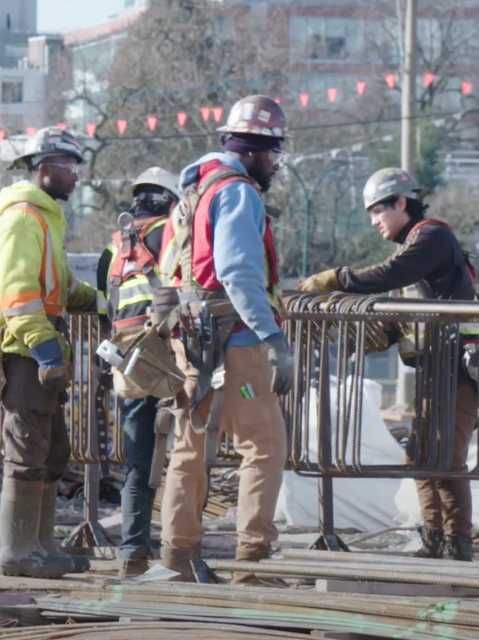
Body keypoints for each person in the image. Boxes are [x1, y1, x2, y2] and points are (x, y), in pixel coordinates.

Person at [298, 167, 478, 562]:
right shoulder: (416, 245)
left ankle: (458, 542)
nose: (373, 220)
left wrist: (335, 279)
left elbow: (390, 275)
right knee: (421, 455)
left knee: (446, 457)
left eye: (377, 210)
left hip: (461, 368)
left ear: (400, 202)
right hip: (437, 367)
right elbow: (411, 307)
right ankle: (434, 537)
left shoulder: (432, 236)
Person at [154, 94, 292, 584]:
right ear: (254, 149)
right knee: (265, 443)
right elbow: (237, 271)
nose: (275, 164)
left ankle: (178, 553)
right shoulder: (238, 192)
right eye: (274, 152)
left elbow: (171, 270)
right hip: (235, 340)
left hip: (194, 338)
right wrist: (273, 337)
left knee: (190, 444)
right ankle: (253, 561)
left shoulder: (192, 192)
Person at [0, 126, 100, 579]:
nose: (74, 178)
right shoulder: (22, 220)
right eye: (69, 168)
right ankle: (17, 551)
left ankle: (41, 546)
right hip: (25, 351)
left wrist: (97, 301)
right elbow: (17, 293)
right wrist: (45, 346)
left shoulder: (46, 220)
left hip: (40, 350)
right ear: (46, 168)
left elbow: (61, 285)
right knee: (27, 450)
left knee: (51, 453)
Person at [95, 167, 181, 578]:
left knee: (140, 461)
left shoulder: (113, 249)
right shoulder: (173, 233)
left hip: (127, 360)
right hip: (172, 352)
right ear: (170, 201)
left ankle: (132, 555)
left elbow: (102, 311)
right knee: (187, 455)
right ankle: (181, 553)